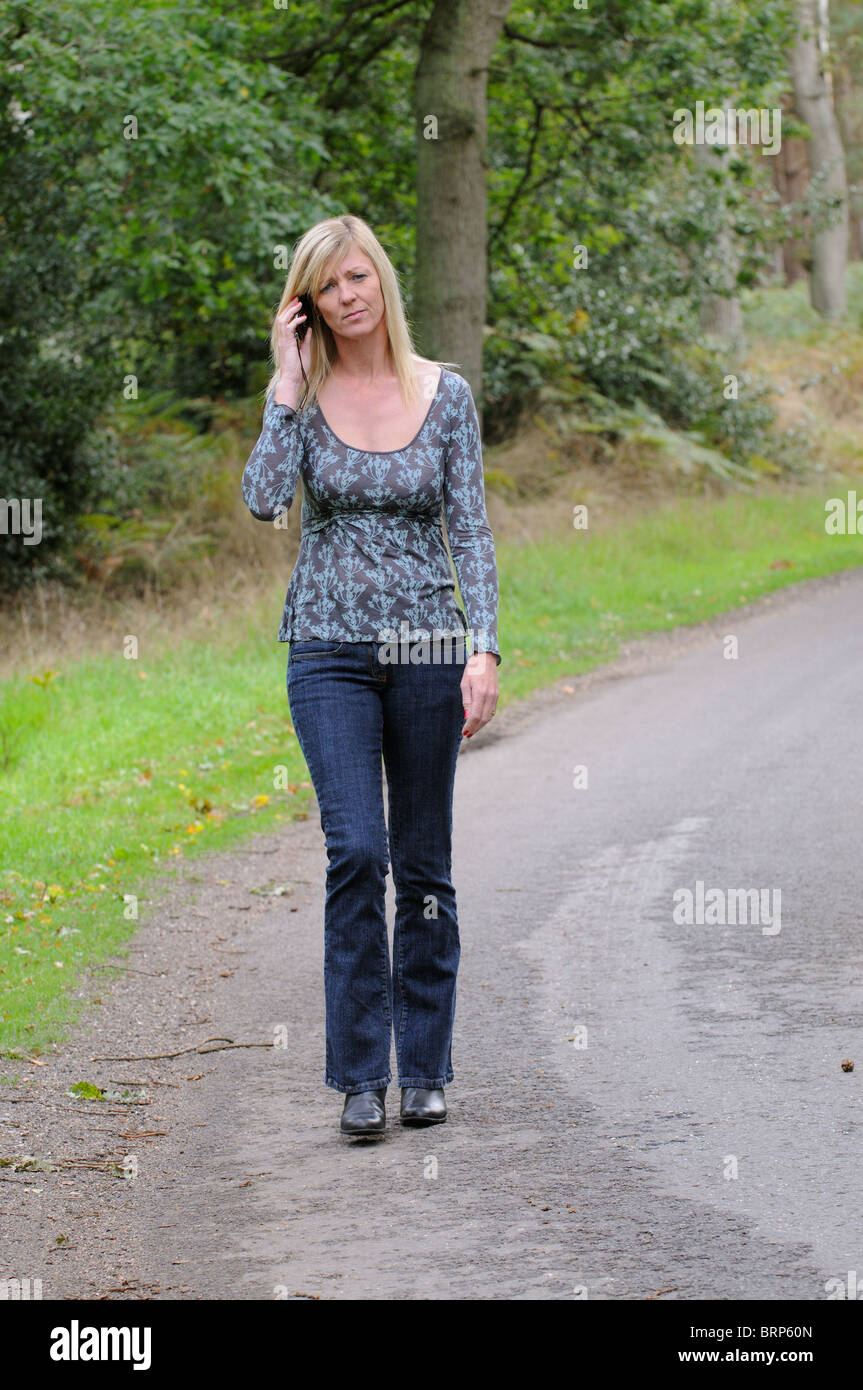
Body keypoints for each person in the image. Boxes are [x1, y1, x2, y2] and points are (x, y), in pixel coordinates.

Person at [241, 214, 501, 1137]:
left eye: (357, 277)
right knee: (357, 850)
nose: (347, 296)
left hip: (431, 648)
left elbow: (468, 526)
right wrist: (283, 381)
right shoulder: (301, 400)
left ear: (380, 280)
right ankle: (360, 1077)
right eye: (325, 287)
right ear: (306, 304)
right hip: (327, 651)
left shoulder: (447, 395)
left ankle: (425, 1069)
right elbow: (266, 499)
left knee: (423, 860)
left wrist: (484, 646)